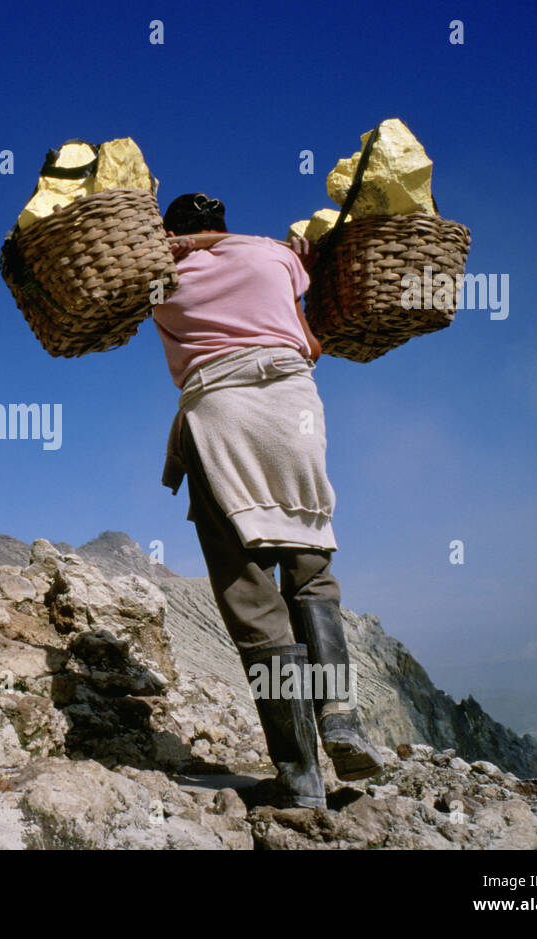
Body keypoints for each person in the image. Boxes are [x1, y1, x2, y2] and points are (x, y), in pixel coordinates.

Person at [155, 193, 383, 809]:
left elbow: (119, 297)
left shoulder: (157, 267)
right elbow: (311, 345)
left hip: (222, 414)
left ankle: (301, 774)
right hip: (294, 411)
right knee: (310, 569)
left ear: (170, 230)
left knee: (251, 594)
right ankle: (340, 716)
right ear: (222, 227)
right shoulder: (275, 257)